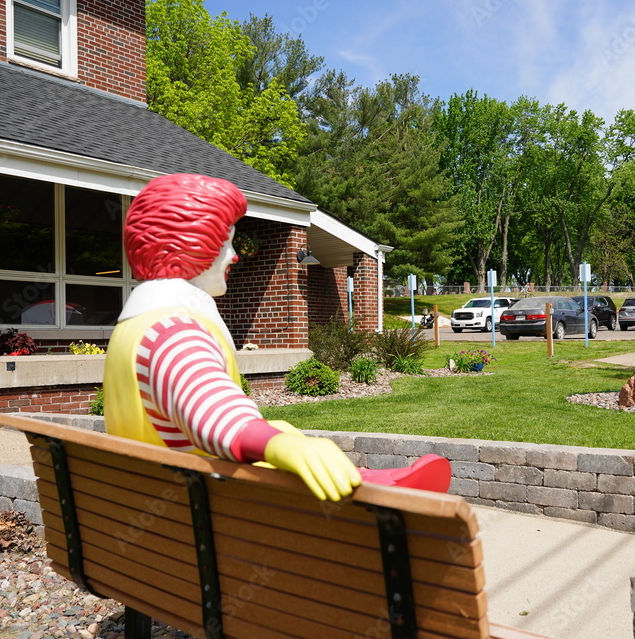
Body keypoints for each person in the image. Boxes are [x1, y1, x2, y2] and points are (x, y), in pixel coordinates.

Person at [104, 174, 449, 500]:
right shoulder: (173, 332)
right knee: (285, 450)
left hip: (155, 495)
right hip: (206, 508)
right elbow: (213, 415)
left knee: (282, 429)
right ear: (192, 244)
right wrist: (281, 445)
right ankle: (374, 489)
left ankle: (369, 477)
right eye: (225, 242)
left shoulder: (134, 325)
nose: (234, 255)